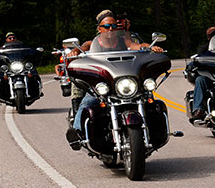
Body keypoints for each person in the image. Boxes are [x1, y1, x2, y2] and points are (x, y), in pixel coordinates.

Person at [66, 10, 164, 146]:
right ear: (99, 29)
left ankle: (154, 132)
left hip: (122, 82)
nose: (110, 29)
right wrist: (75, 51)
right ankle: (76, 131)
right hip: (104, 83)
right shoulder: (93, 43)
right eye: (106, 26)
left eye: (113, 26)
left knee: (148, 99)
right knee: (88, 102)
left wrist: (150, 47)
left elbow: (136, 46)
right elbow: (83, 48)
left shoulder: (123, 40)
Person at [188, 26, 215, 122]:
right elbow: (198, 60)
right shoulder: (204, 48)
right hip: (212, 77)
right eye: (213, 35)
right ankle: (199, 110)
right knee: (200, 80)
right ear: (208, 37)